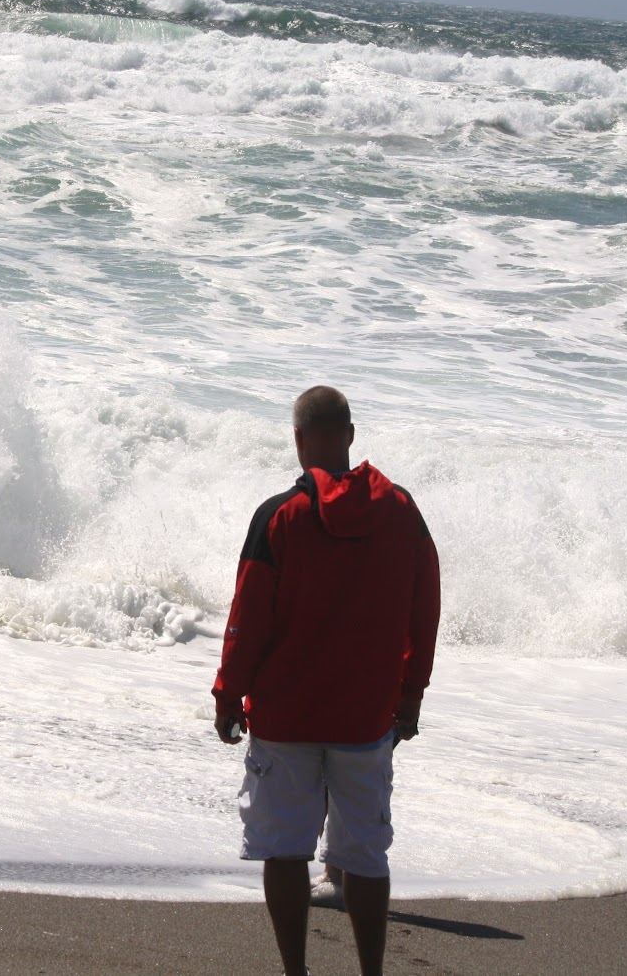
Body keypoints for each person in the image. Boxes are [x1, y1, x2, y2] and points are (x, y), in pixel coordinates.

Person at [213, 386, 441, 976]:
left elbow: (247, 617)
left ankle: (297, 973)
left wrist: (227, 694)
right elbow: (426, 608)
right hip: (366, 717)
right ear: (350, 435)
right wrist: (410, 695)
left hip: (287, 716)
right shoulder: (403, 514)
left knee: (285, 849)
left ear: (298, 442)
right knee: (364, 853)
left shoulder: (279, 516)